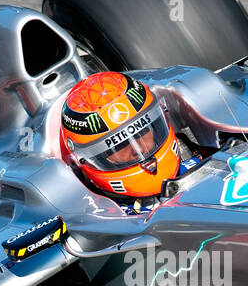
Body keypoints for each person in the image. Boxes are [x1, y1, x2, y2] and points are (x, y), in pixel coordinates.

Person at [59, 71, 189, 199]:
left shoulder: (200, 151)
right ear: (86, 159)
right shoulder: (96, 213)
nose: (138, 149)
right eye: (120, 145)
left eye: (142, 132)